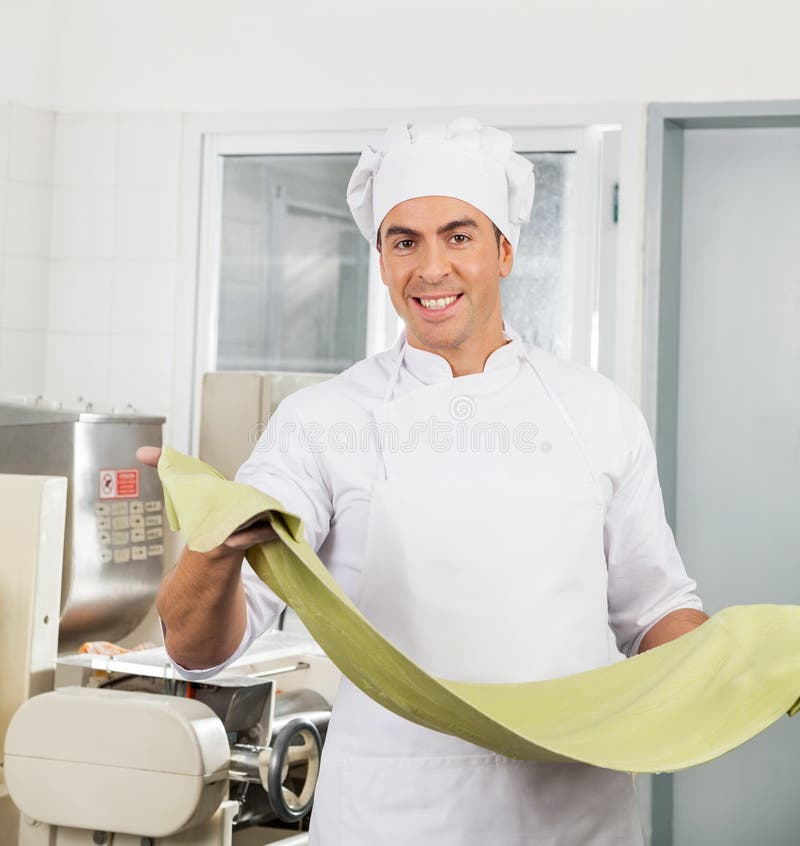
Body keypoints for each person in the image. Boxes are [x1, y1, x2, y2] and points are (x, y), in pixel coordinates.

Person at [143, 118, 708, 845]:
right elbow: (201, 650)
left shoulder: (597, 414)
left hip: (572, 813)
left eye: (459, 235)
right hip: (395, 815)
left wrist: (735, 679)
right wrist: (211, 550)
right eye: (404, 241)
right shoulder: (322, 422)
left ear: (505, 250)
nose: (430, 267)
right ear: (381, 260)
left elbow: (659, 612)